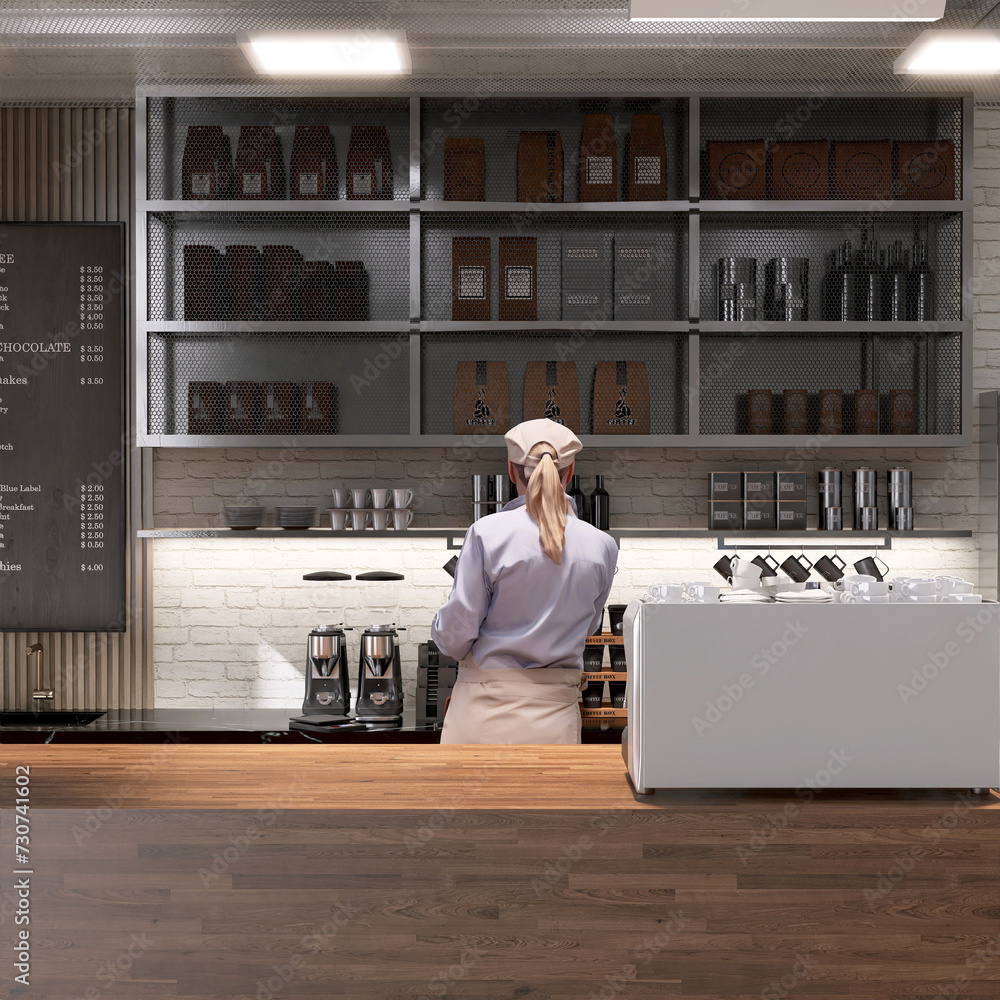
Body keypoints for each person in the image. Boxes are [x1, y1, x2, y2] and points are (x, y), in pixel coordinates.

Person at [431, 418, 618, 744]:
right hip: (556, 722)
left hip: (485, 715)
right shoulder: (603, 545)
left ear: (511, 470)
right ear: (570, 473)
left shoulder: (486, 533)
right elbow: (589, 627)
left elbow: (454, 638)